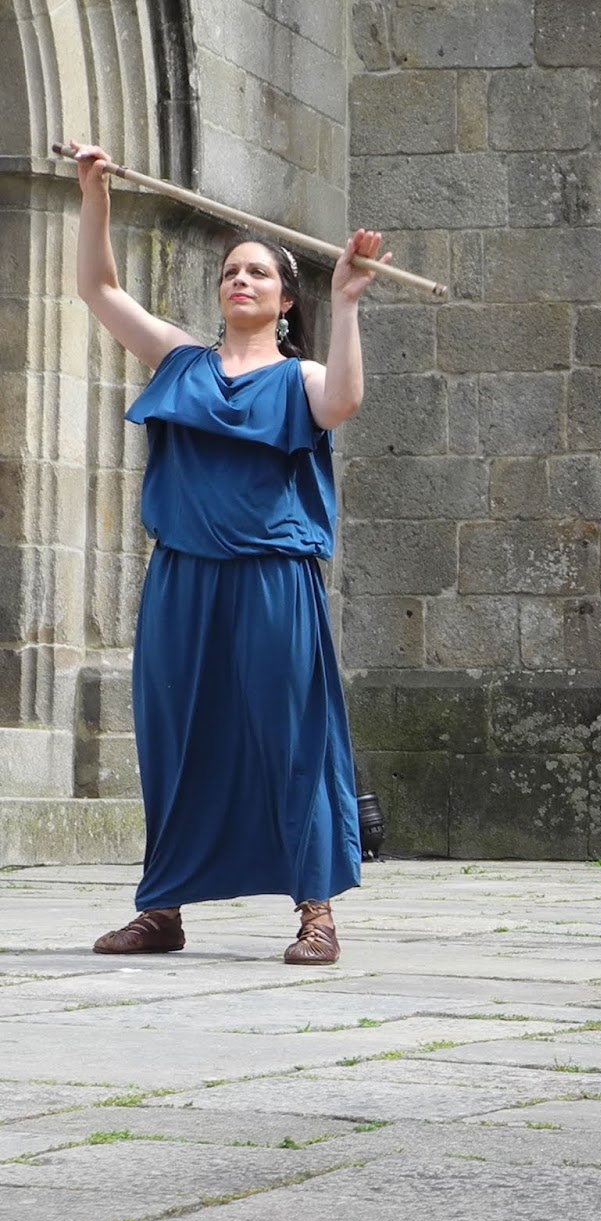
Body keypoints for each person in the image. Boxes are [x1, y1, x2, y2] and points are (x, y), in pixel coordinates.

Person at [70, 140, 387, 965]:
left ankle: (316, 910)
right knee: (176, 735)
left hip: (275, 578)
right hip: (182, 576)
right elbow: (99, 288)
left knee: (291, 736)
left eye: (258, 274)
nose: (240, 280)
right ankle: (163, 908)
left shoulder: (302, 374)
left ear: (286, 299)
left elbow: (344, 402)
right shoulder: (179, 361)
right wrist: (93, 193)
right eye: (229, 272)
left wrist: (348, 300)